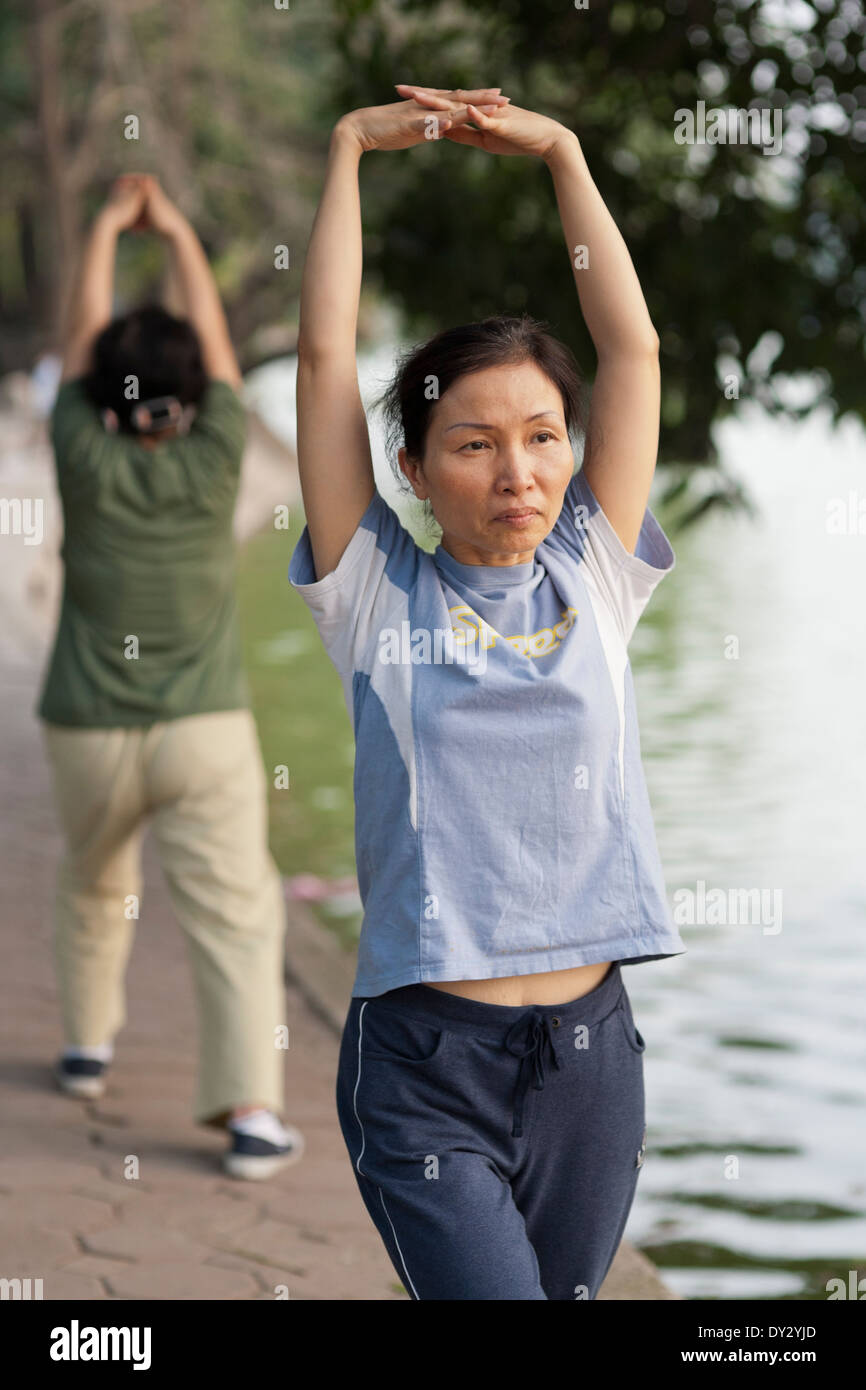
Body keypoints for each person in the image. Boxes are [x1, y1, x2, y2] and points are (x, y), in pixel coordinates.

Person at [289, 84, 687, 1299]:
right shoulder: (373, 594)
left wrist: (563, 149)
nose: (516, 469)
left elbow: (633, 348)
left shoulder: (593, 570)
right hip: (424, 1058)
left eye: (541, 435)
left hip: (589, 1059)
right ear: (412, 466)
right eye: (472, 443)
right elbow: (321, 354)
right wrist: (350, 149)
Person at [39, 173, 302, 1181]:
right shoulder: (218, 455)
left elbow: (80, 337)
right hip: (203, 730)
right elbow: (220, 357)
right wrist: (179, 231)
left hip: (86, 728)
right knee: (236, 912)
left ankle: (86, 1048)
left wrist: (105, 223)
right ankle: (250, 1118)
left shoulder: (79, 452)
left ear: (104, 396)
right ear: (191, 398)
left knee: (91, 879)